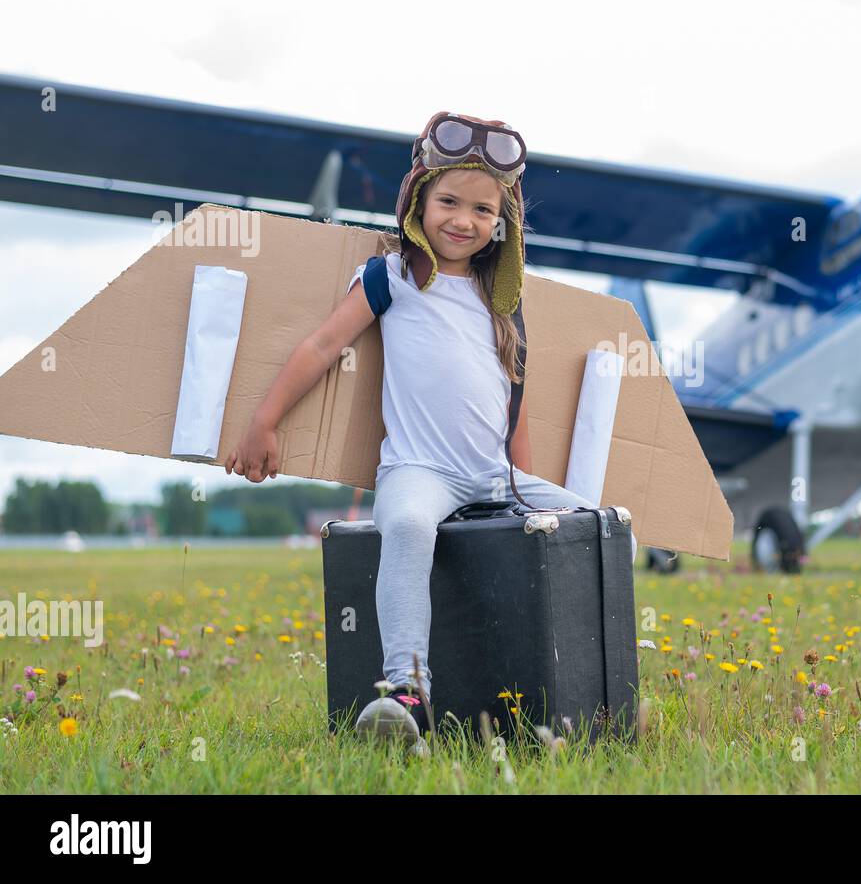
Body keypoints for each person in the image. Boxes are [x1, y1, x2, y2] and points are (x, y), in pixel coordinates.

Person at [225, 112, 637, 757]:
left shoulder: (501, 301)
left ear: (501, 223)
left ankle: (608, 694)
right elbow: (324, 344)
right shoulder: (391, 277)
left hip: (494, 478)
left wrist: (522, 509)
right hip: (419, 471)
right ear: (419, 200)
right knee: (410, 527)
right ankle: (406, 693)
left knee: (601, 524)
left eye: (480, 209)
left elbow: (514, 405)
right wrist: (263, 422)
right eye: (448, 200)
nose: (462, 219)